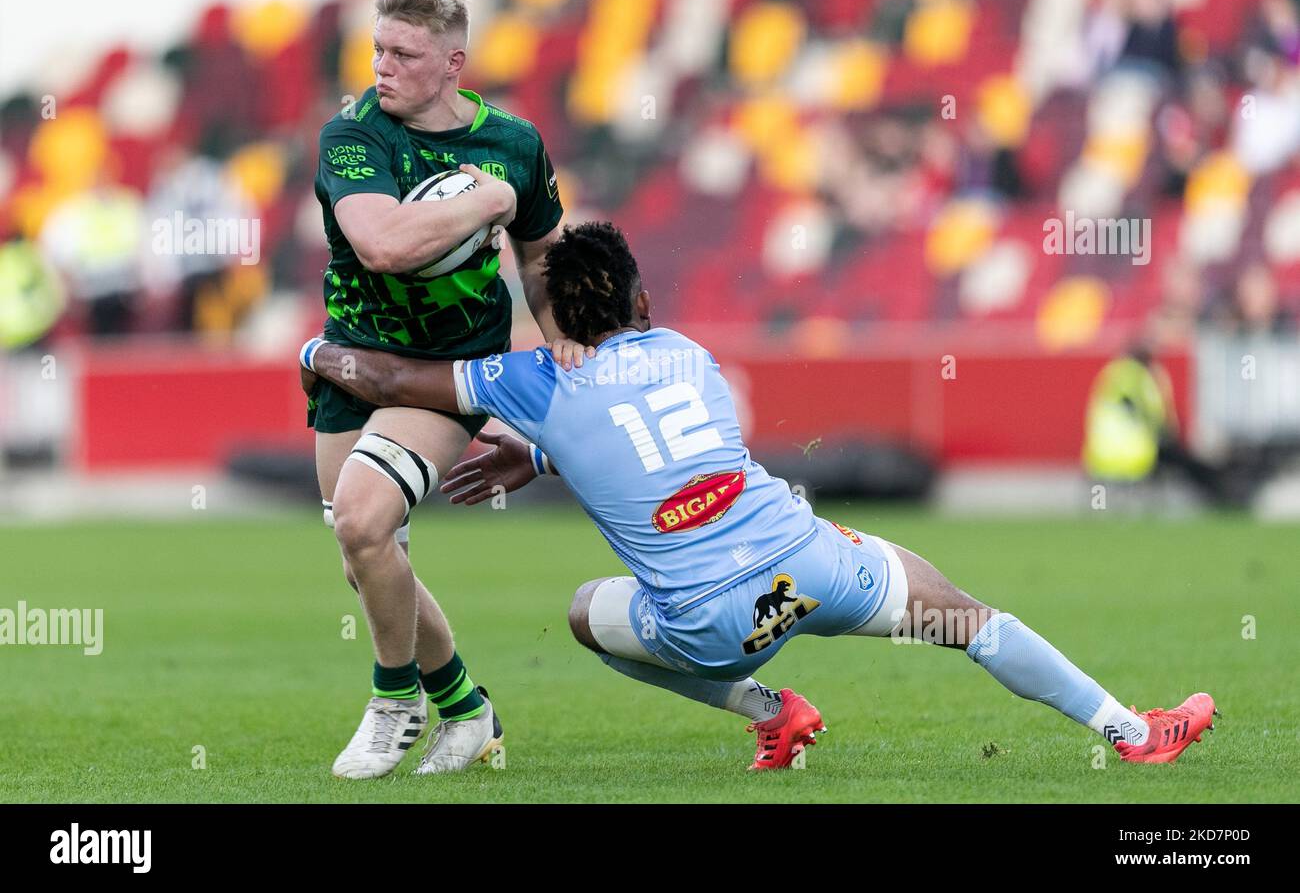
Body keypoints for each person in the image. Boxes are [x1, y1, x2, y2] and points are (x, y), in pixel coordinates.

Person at [298, 222, 1217, 770]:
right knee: (969, 620)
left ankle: (770, 711)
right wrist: (542, 460)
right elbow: (660, 443)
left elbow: (391, 377)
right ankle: (1133, 731)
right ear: (641, 300)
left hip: (703, 625)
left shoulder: (532, 384)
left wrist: (316, 355)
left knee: (585, 613)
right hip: (814, 567)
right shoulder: (688, 354)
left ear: (560, 318)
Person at [310, 0, 577, 779]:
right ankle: (467, 709)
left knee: (362, 522)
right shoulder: (352, 135)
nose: (380, 67)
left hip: (450, 370)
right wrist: (486, 200)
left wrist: (569, 354)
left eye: (403, 54)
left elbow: (543, 258)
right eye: (377, 50)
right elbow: (383, 246)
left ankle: (396, 702)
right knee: (365, 553)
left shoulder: (515, 143)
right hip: (356, 360)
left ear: (453, 62)